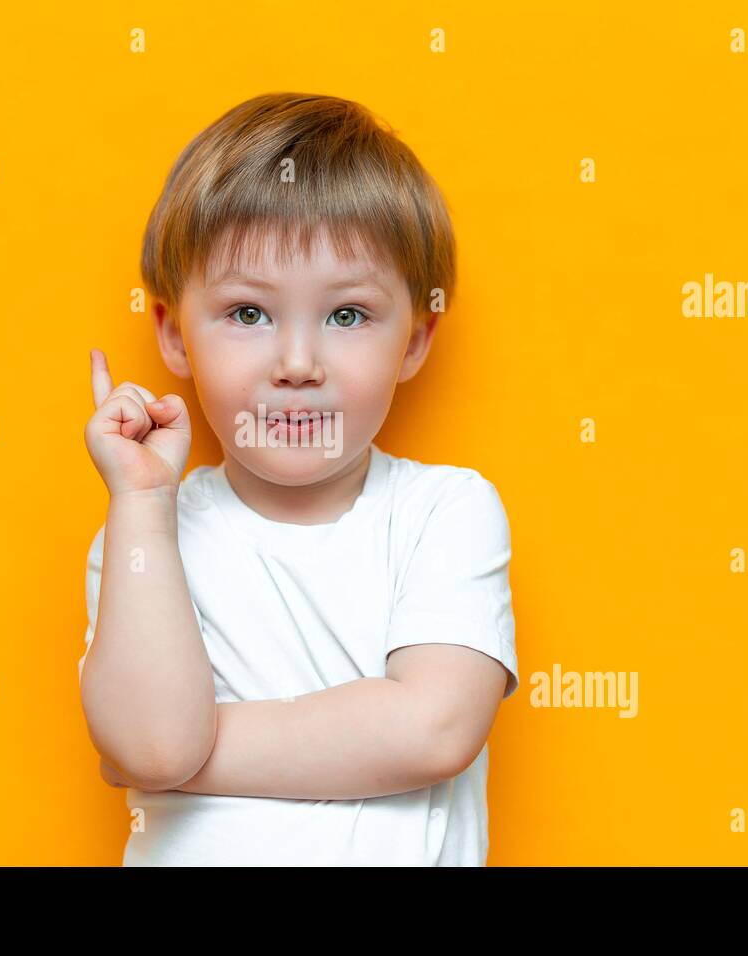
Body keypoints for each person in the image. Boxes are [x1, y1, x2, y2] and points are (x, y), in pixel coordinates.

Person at [80, 92, 519, 865]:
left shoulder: (444, 511)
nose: (296, 365)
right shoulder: (145, 536)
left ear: (415, 341)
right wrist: (143, 503)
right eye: (248, 314)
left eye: (347, 316)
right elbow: (150, 743)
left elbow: (434, 728)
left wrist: (195, 752)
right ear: (172, 335)